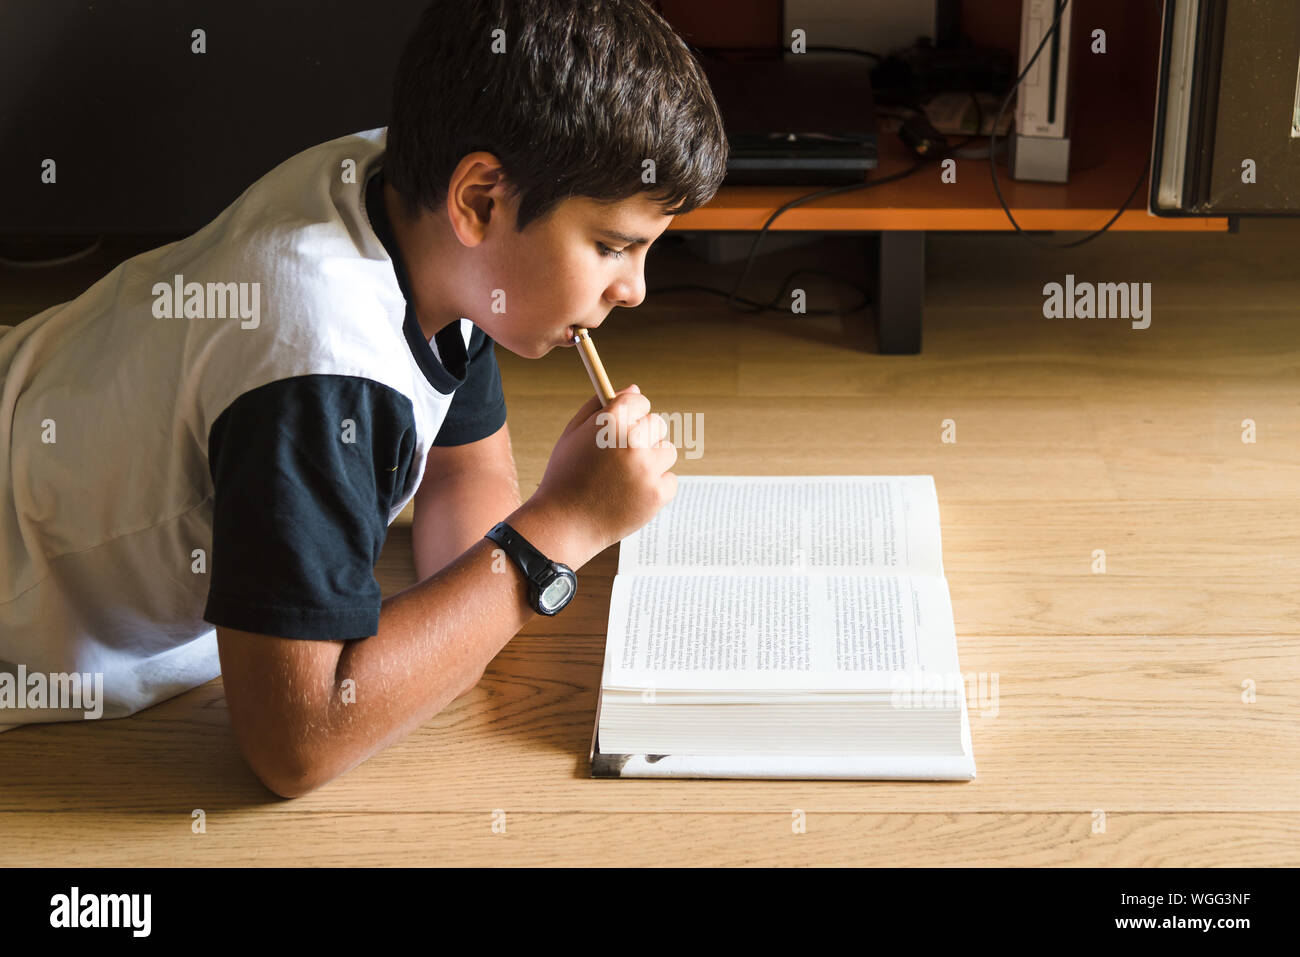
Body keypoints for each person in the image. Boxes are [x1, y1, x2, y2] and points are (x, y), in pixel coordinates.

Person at [0, 0, 728, 796]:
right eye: (613, 246)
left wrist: (475, 596)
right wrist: (559, 529)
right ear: (480, 201)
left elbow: (459, 480)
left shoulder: (421, 209)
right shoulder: (318, 367)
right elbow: (294, 744)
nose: (635, 290)